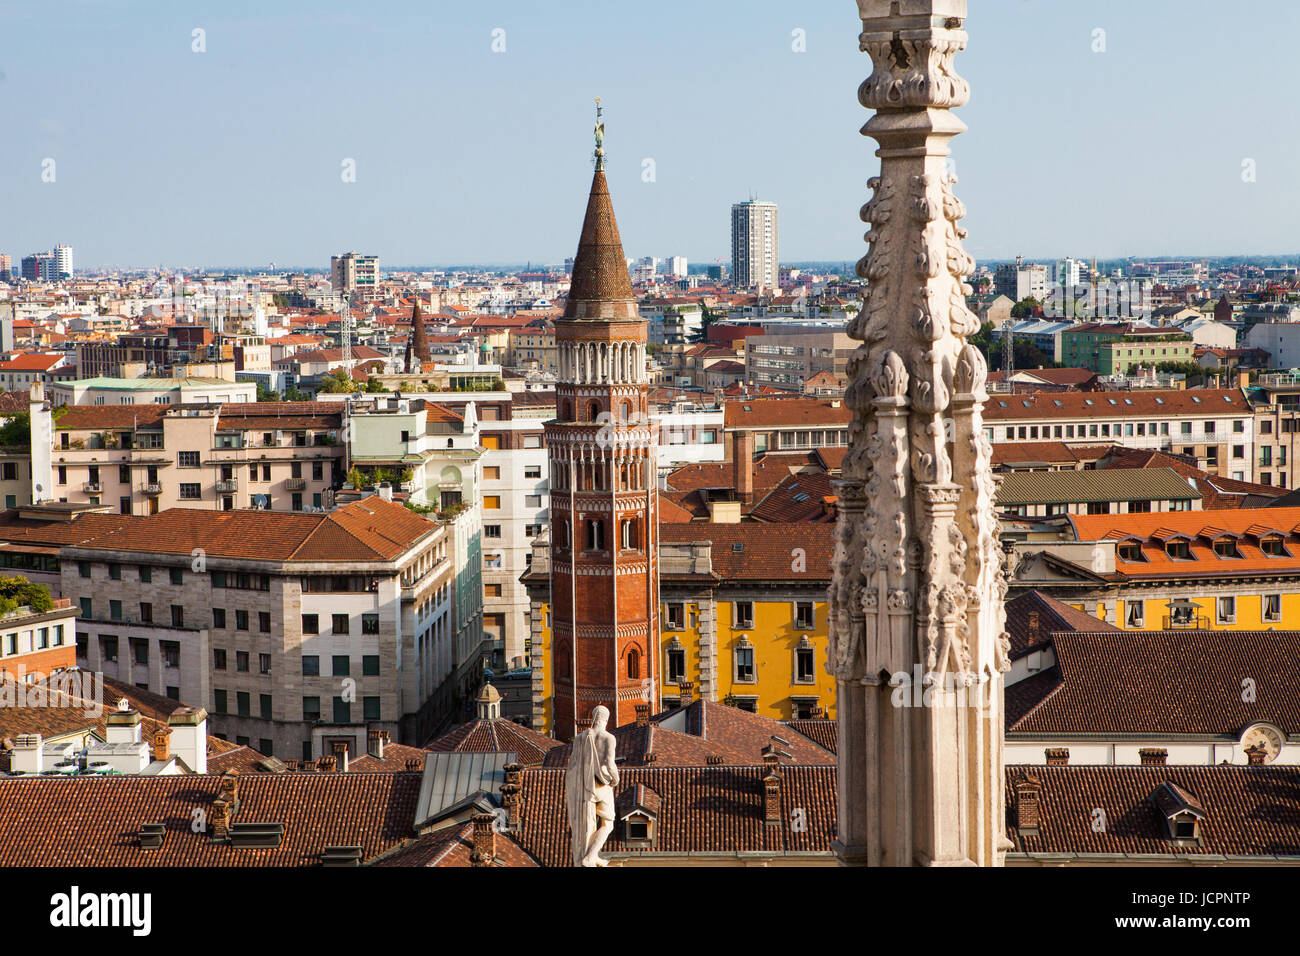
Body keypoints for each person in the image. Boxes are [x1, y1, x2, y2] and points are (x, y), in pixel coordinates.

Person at [565, 704, 619, 866]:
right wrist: (615, 779)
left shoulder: (581, 737)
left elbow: (573, 764)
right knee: (608, 822)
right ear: (606, 719)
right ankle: (591, 855)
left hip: (582, 787)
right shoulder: (608, 738)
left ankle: (590, 854)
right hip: (601, 786)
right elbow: (610, 764)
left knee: (589, 823)